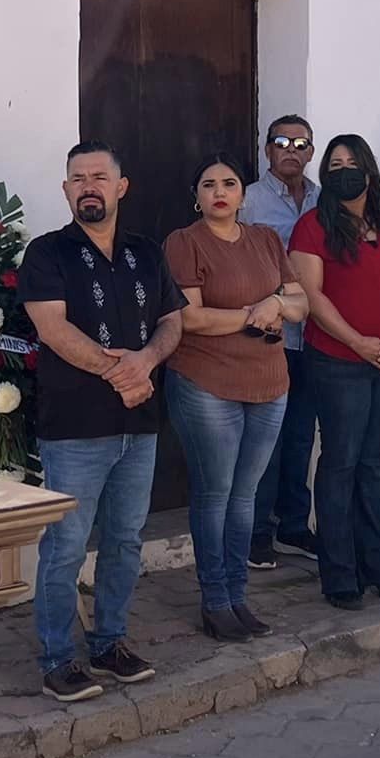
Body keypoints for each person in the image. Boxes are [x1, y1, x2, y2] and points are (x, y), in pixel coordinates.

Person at [20, 141, 186, 703]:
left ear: (121, 186)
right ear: (66, 190)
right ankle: (57, 659)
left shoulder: (146, 252)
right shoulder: (47, 253)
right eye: (76, 178)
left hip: (137, 427)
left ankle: (109, 643)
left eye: (99, 176)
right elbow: (53, 329)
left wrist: (148, 361)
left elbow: (172, 321)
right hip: (74, 428)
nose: (87, 185)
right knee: (65, 547)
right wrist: (123, 374)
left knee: (125, 541)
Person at [163, 154, 308, 641]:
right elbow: (192, 318)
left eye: (229, 183)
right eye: (209, 185)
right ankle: (215, 600)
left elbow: (300, 303)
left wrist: (276, 305)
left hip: (269, 381)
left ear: (242, 194)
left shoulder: (266, 239)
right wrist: (259, 311)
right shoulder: (184, 243)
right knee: (215, 492)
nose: (220, 192)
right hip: (208, 383)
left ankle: (239, 597)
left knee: (246, 496)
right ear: (196, 195)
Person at [289, 135, 380, 610]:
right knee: (341, 463)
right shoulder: (312, 227)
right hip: (339, 362)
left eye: (352, 163)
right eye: (334, 164)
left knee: (375, 464)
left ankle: (379, 568)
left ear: (369, 170)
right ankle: (339, 574)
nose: (343, 171)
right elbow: (313, 297)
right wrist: (358, 343)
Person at [243, 114, 321, 567]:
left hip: (316, 337)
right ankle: (256, 531)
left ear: (311, 151)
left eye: (300, 143)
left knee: (300, 437)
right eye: (281, 141)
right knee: (264, 440)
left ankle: (294, 525)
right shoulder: (248, 200)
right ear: (267, 149)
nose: (291, 149)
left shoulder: (323, 199)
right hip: (268, 337)